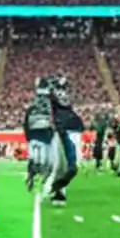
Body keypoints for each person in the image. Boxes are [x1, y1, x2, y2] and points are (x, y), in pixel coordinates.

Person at [44, 75, 83, 207]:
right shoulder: (52, 96)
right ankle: (58, 192)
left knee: (73, 166)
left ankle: (56, 187)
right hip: (62, 130)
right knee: (61, 166)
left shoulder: (66, 96)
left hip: (73, 128)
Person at [23, 76, 56, 194]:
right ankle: (38, 179)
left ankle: (33, 177)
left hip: (38, 134)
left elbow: (26, 120)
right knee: (44, 161)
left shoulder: (34, 106)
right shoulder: (48, 104)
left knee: (38, 160)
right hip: (44, 135)